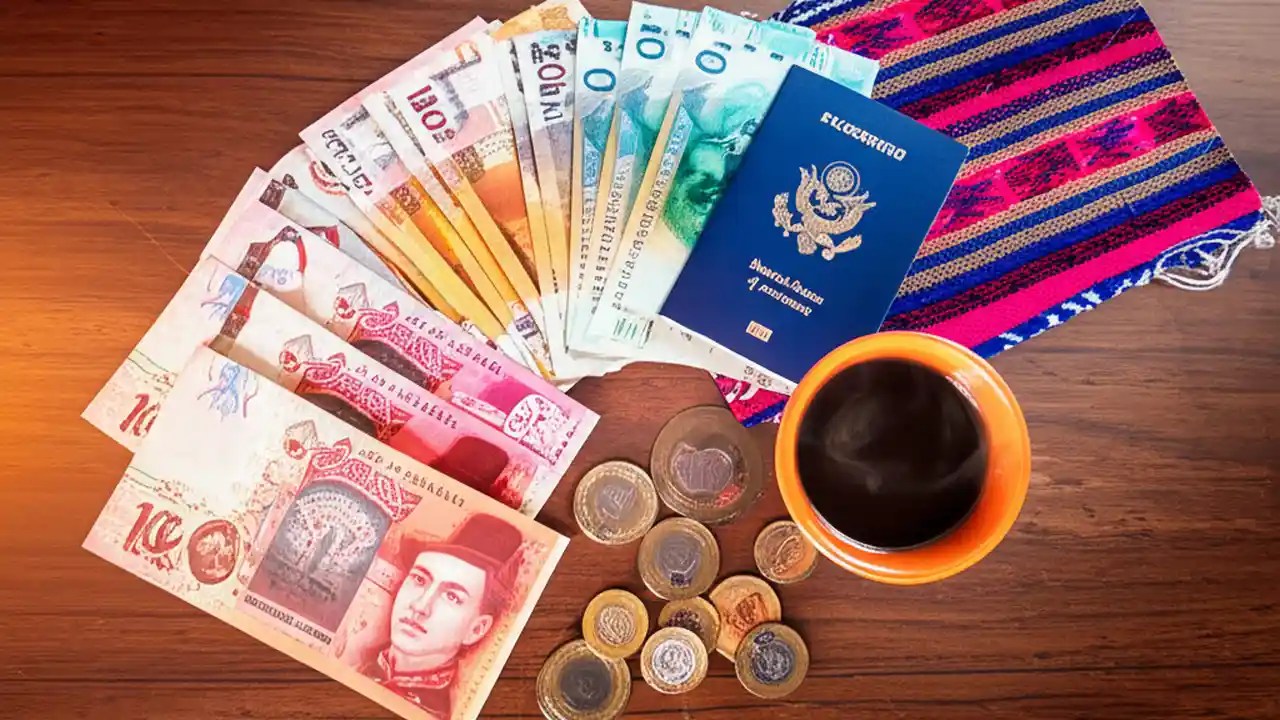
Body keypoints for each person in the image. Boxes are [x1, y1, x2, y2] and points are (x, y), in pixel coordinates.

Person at [361, 513, 523, 717]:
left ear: (476, 629)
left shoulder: (440, 710)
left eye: (452, 597)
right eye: (419, 580)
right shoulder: (360, 660)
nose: (420, 606)